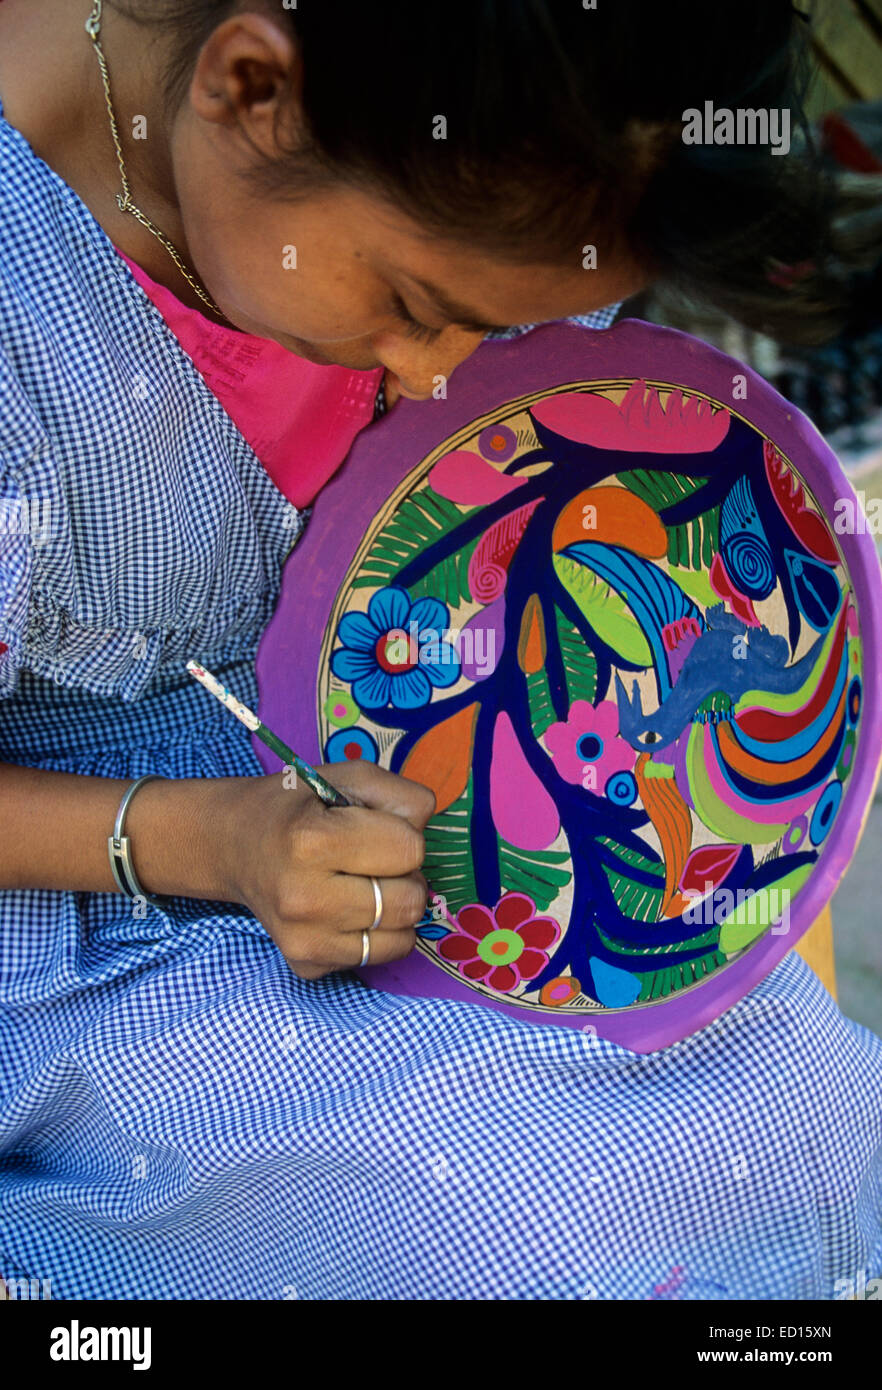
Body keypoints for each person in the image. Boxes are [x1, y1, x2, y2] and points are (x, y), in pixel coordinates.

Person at [0, 0, 879, 1301]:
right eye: (417, 306)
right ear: (251, 89)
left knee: (817, 1115)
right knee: (515, 1243)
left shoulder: (487, 158)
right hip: (85, 895)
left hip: (410, 810)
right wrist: (209, 841)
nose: (437, 381)